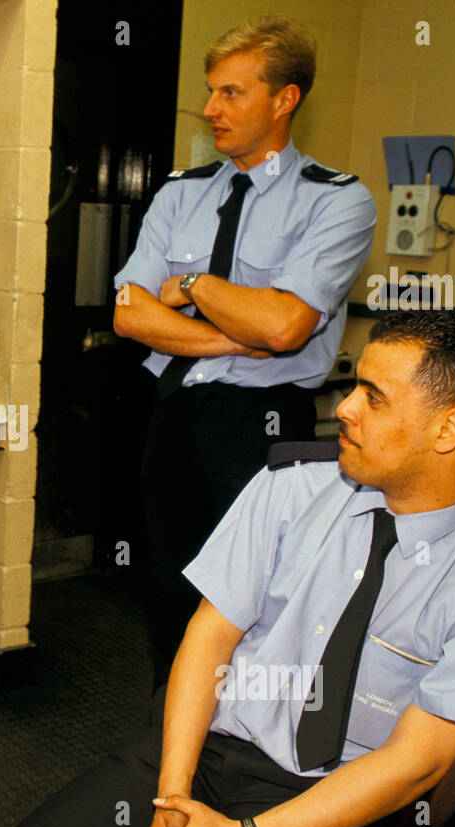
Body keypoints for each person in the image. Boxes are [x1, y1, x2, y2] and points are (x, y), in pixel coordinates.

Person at [0, 310, 455, 827]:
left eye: (374, 398)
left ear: (448, 430)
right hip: (207, 753)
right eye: (356, 387)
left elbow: (413, 764)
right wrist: (173, 794)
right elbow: (210, 635)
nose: (345, 408)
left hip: (338, 806)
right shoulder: (292, 486)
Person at [112, 16, 377, 682]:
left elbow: (287, 328)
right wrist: (231, 334)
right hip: (175, 409)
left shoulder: (336, 202)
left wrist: (194, 284)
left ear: (285, 98)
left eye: (231, 93)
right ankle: (167, 736)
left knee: (253, 600)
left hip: (261, 423)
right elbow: (127, 311)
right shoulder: (180, 192)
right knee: (171, 588)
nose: (210, 110)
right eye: (210, 92)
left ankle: (243, 752)